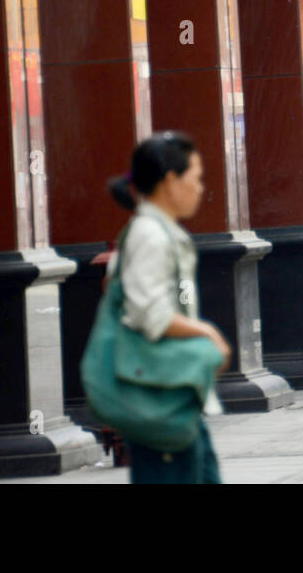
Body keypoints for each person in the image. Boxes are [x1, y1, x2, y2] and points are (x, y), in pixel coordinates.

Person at [106, 131, 231, 484]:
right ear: (170, 181)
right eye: (195, 178)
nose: (200, 187)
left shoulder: (161, 232)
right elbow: (150, 314)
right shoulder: (150, 234)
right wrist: (207, 333)